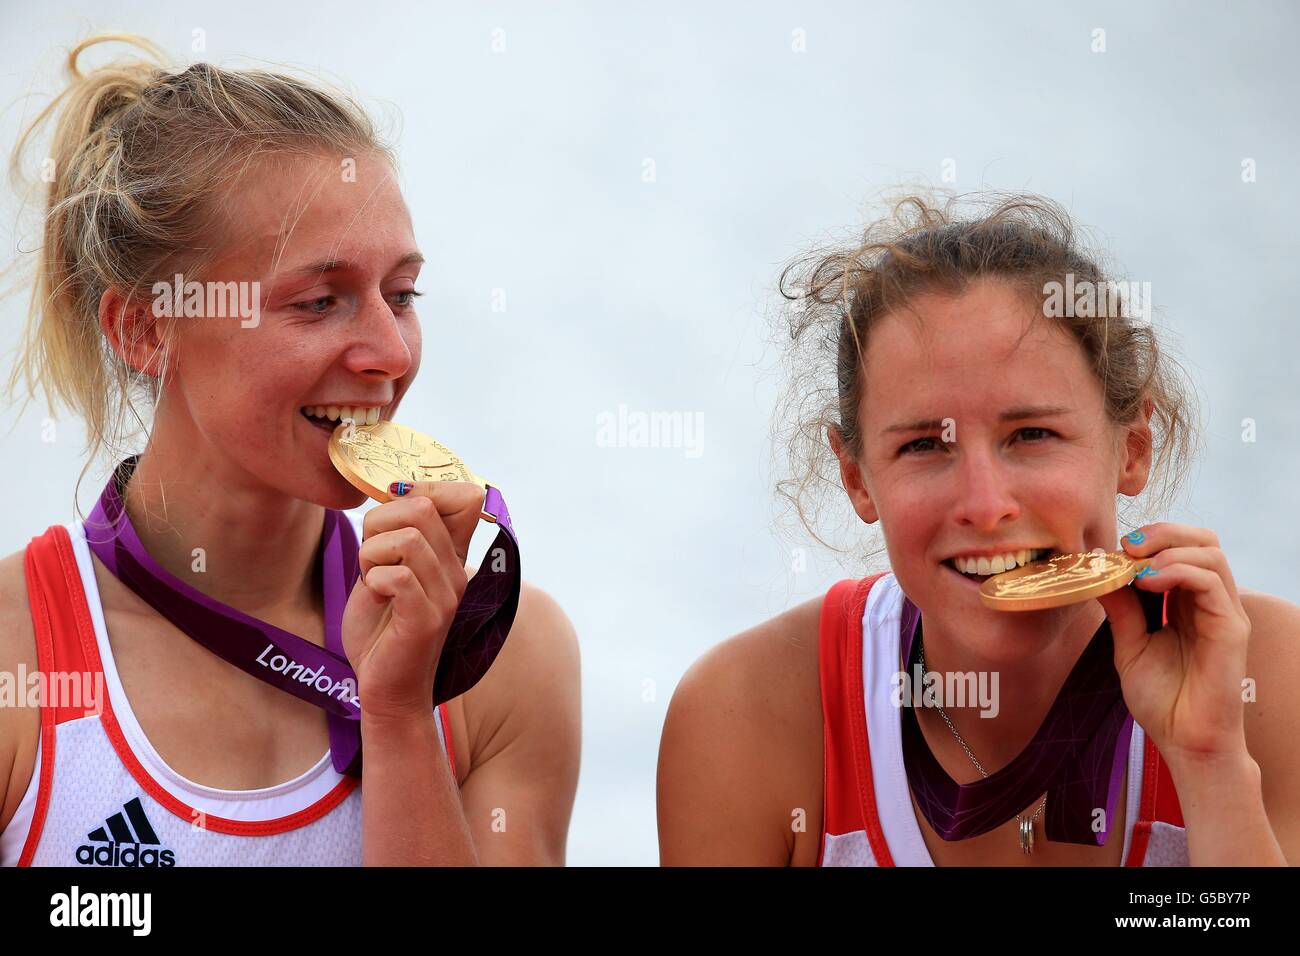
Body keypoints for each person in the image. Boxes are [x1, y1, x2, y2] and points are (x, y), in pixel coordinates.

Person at [0, 33, 580, 866]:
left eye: (402, 293)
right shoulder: (19, 658)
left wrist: (400, 716)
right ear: (144, 327)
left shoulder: (502, 656)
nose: (391, 352)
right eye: (319, 301)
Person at [657, 193, 1299, 866]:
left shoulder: (1268, 676)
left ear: (1131, 449)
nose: (985, 505)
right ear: (856, 477)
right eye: (925, 446)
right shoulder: (748, 714)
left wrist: (1213, 765)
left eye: (1032, 434)